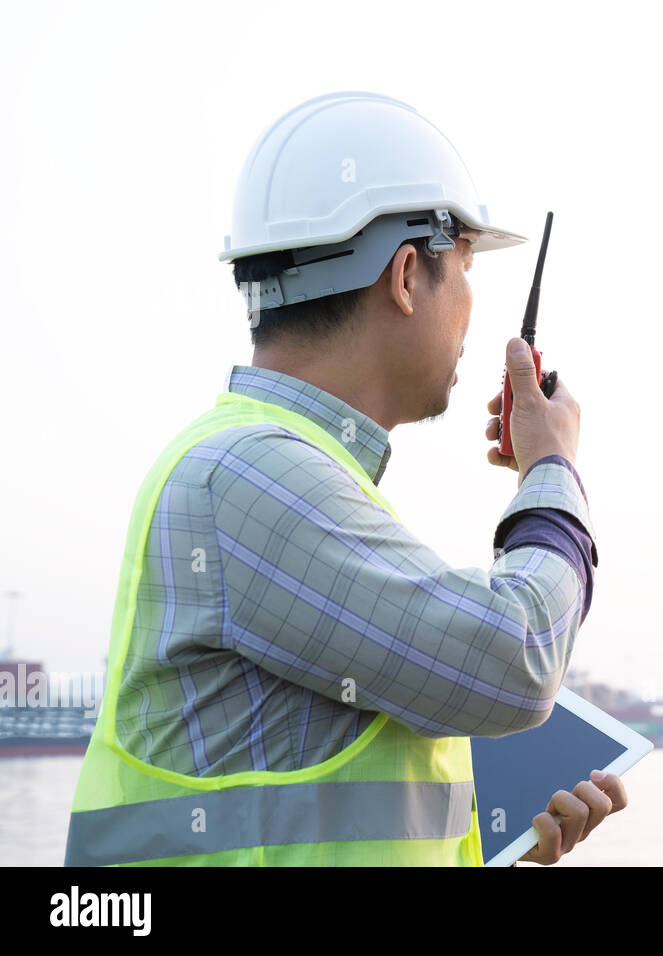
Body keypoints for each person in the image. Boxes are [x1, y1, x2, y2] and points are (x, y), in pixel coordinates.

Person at [64, 92, 621, 866]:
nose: (469, 307)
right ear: (404, 277)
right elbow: (519, 657)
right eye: (464, 268)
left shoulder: (288, 477)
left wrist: (509, 852)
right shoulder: (253, 475)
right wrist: (553, 471)